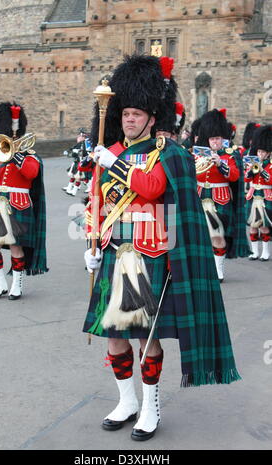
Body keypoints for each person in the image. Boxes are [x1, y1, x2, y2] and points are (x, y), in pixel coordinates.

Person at [82, 55, 241, 442]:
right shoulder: (113, 150)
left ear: (152, 117)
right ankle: (127, 401)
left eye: (137, 114)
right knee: (113, 335)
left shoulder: (166, 152)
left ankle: (150, 405)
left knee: (144, 338)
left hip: (149, 253)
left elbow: (151, 188)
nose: (129, 119)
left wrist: (115, 164)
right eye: (126, 113)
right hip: (114, 250)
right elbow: (96, 201)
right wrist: (91, 242)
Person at [0, 102, 48, 299]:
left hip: (18, 202)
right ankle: (0, 283)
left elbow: (31, 173)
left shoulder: (28, 154)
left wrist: (15, 157)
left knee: (16, 246)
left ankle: (17, 284)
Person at [194, 108, 249, 282]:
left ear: (222, 138)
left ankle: (218, 270)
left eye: (218, 138)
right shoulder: (198, 154)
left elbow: (234, 175)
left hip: (220, 198)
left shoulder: (229, 155)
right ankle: (205, 269)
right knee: (201, 236)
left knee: (218, 236)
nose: (215, 142)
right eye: (212, 138)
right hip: (201, 196)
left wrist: (220, 164)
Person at [245, 125, 272, 261]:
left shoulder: (270, 165)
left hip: (265, 196)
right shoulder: (255, 163)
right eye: (259, 151)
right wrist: (251, 170)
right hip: (253, 195)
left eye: (262, 152)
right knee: (253, 226)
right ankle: (254, 252)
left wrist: (262, 170)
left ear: (268, 153)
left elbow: (270, 180)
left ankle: (265, 252)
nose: (260, 154)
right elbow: (247, 178)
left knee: (264, 227)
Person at [62, 129, 91, 196]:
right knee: (74, 176)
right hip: (77, 162)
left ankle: (75, 191)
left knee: (80, 177)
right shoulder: (79, 144)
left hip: (82, 163)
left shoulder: (85, 144)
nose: (78, 138)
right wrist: (69, 151)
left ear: (83, 137)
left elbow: (86, 153)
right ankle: (69, 189)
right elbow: (72, 148)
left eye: (80, 136)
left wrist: (77, 152)